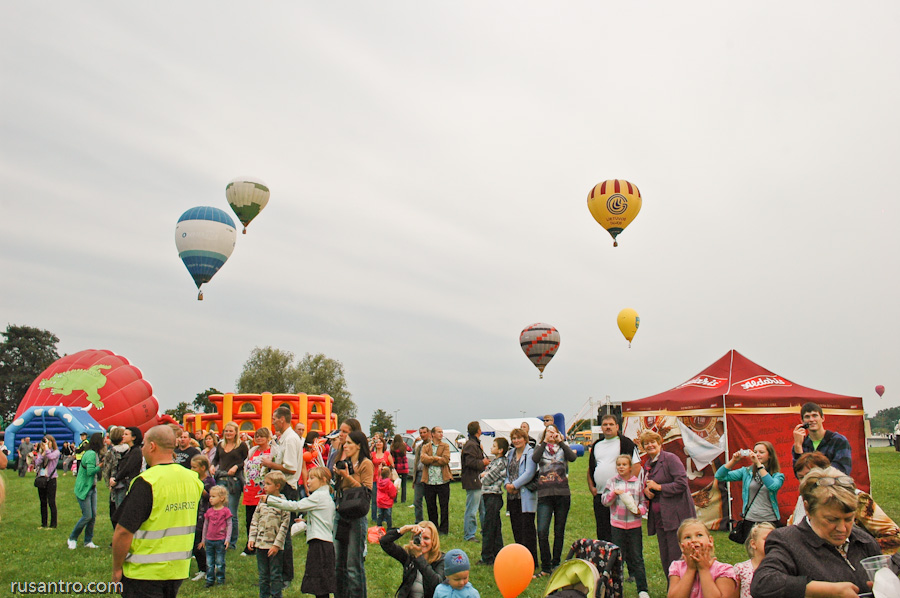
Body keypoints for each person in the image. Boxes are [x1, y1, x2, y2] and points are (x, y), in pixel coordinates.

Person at [751, 467, 893, 598]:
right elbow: (763, 583)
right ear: (807, 509)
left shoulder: (863, 540)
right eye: (831, 520)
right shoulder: (787, 541)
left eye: (849, 519)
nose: (842, 529)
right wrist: (826, 591)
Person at [112, 425, 204, 597]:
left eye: (144, 444)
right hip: (177, 569)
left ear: (152, 446)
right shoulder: (192, 479)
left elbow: (123, 531)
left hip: (144, 571)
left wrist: (117, 568)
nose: (143, 449)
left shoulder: (147, 481)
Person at [266, 466, 337, 598]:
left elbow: (295, 506)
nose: (308, 481)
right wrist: (304, 522)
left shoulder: (319, 496)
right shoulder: (325, 496)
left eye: (312, 478)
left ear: (323, 480)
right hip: (324, 543)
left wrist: (269, 500)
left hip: (320, 544)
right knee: (321, 583)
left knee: (320, 583)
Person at [641, 429, 696, 579]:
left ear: (660, 443)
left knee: (676, 555)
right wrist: (647, 490)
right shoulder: (648, 463)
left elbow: (681, 484)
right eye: (646, 443)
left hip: (675, 517)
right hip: (660, 519)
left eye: (653, 442)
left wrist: (659, 487)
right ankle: (671, 587)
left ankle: (683, 588)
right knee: (665, 556)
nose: (650, 445)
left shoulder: (671, 459)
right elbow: (649, 484)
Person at [260, 408, 302, 584]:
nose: (273, 422)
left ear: (283, 419)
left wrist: (271, 464)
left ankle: (286, 575)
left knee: (283, 532)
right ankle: (275, 573)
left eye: (275, 419)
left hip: (287, 488)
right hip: (281, 486)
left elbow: (291, 468)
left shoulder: (291, 439)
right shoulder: (284, 438)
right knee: (275, 530)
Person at [601, 454, 650, 598]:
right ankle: (615, 587)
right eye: (619, 465)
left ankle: (642, 589)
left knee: (637, 557)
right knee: (617, 557)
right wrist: (613, 494)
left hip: (634, 525)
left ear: (630, 467)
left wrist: (639, 510)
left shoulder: (638, 484)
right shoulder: (612, 482)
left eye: (624, 464)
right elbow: (604, 501)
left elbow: (643, 503)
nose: (621, 467)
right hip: (617, 524)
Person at [532, 423, 577, 577]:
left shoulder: (563, 449)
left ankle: (556, 563)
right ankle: (546, 566)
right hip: (544, 494)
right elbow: (534, 458)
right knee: (542, 530)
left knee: (559, 530)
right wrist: (544, 441)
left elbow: (573, 457)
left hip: (562, 494)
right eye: (548, 432)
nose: (551, 434)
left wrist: (561, 442)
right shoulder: (540, 448)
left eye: (554, 432)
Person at [333, 429, 374, 598]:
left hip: (356, 516)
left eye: (349, 442)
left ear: (358, 445)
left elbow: (366, 490)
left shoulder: (366, 464)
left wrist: (347, 476)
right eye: (345, 442)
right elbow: (341, 488)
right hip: (342, 513)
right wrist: (338, 476)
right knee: (338, 563)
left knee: (353, 564)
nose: (346, 445)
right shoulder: (346, 462)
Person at [588, 414, 641, 542]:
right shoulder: (597, 445)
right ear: (601, 427)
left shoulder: (626, 443)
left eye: (611, 424)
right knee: (603, 530)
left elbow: (636, 466)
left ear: (617, 426)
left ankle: (621, 558)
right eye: (605, 425)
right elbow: (591, 468)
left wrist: (627, 486)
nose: (608, 427)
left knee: (620, 533)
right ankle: (606, 559)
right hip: (601, 495)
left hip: (620, 495)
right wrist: (592, 487)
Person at [714, 441, 784, 527]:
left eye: (761, 452)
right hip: (750, 519)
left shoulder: (777, 476)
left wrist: (758, 464)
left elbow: (772, 486)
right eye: (755, 452)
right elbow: (719, 476)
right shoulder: (746, 472)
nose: (757, 455)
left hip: (770, 519)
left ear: (770, 456)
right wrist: (733, 461)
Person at [667, 518, 737, 598]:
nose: (694, 540)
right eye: (687, 537)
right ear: (681, 546)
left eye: (699, 535)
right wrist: (690, 569)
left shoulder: (724, 570)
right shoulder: (677, 567)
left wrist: (703, 569)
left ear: (710, 540)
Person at [248, 471, 291, 598]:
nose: (264, 486)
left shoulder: (284, 503)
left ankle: (276, 595)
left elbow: (284, 526)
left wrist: (277, 545)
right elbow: (255, 520)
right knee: (263, 575)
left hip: (274, 546)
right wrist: (252, 538)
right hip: (261, 544)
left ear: (278, 486)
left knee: (275, 575)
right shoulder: (262, 501)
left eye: (268, 484)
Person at [379, 521, 446, 598]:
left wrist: (419, 557)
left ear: (433, 541)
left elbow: (437, 584)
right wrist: (404, 529)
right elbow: (384, 542)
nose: (422, 542)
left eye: (426, 538)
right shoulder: (409, 556)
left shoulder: (441, 560)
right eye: (419, 537)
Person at [505, 427, 538, 571]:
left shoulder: (530, 453)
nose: (516, 441)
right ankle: (520, 559)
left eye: (519, 438)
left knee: (528, 530)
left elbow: (529, 472)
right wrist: (507, 484)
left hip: (525, 496)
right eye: (514, 438)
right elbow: (507, 471)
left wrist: (515, 484)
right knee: (516, 528)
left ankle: (532, 561)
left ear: (525, 439)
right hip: (512, 496)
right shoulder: (510, 453)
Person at [211, 421, 248, 549]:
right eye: (226, 431)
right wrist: (211, 465)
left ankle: (232, 542)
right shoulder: (221, 445)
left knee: (231, 512)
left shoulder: (241, 446)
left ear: (236, 433)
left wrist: (236, 466)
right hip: (221, 479)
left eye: (231, 431)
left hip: (234, 481)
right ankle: (221, 538)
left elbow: (246, 461)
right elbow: (216, 458)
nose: (228, 433)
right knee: (220, 511)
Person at [791, 401, 852, 475]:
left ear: (822, 418)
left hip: (834, 485)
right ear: (802, 421)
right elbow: (799, 474)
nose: (811, 419)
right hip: (810, 486)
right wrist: (798, 446)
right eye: (807, 417)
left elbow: (841, 470)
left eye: (815, 415)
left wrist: (812, 473)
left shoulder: (838, 441)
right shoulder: (801, 444)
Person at [242, 427, 273, 556]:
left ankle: (262, 543)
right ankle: (250, 545)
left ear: (267, 438)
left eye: (262, 436)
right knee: (250, 518)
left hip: (263, 489)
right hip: (251, 488)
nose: (259, 439)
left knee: (262, 517)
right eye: (257, 436)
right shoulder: (252, 451)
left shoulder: (272, 451)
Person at [68, 432, 102, 550]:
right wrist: (101, 466)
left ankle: (88, 540)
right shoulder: (91, 454)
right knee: (87, 516)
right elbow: (90, 471)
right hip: (84, 488)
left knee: (93, 516)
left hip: (92, 488)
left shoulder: (94, 453)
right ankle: (72, 538)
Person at [478, 437, 508, 566]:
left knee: (489, 527)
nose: (491, 447)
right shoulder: (494, 461)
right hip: (488, 496)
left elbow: (486, 479)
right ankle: (498, 553)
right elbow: (482, 475)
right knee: (495, 526)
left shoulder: (501, 463)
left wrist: (483, 475)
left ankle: (487, 556)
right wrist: (482, 475)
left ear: (500, 450)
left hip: (493, 496)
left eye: (494, 446)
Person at [461, 421, 488, 542]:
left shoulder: (474, 444)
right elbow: (470, 462)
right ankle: (469, 534)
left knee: (482, 509)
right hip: (473, 480)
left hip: (477, 480)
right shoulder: (471, 445)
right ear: (478, 431)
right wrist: (483, 462)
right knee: (472, 509)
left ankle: (485, 530)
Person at [421, 426, 451, 535]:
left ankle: (444, 529)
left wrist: (431, 459)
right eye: (439, 432)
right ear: (432, 434)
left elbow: (445, 460)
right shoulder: (426, 446)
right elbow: (423, 459)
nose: (441, 434)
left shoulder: (445, 446)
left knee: (444, 506)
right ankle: (433, 528)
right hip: (429, 481)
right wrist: (436, 458)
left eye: (442, 432)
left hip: (443, 481)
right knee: (431, 506)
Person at [189, 454, 215, 582]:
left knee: (199, 544)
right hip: (194, 514)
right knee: (194, 543)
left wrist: (199, 487)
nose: (192, 470)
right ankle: (203, 568)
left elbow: (210, 496)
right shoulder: (194, 479)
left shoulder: (209, 481)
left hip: (204, 516)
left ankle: (206, 569)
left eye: (194, 467)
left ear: (203, 467)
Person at [201, 485, 232, 587]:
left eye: (213, 496)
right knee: (209, 562)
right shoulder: (209, 512)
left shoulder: (225, 511)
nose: (210, 499)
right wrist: (203, 540)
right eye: (210, 496)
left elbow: (230, 525)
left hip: (220, 540)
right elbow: (205, 526)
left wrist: (227, 539)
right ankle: (210, 580)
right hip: (209, 540)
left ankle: (220, 579)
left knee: (220, 561)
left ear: (222, 498)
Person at [733, 522, 775, 598]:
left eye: (774, 539)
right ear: (753, 544)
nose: (771, 541)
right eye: (766, 539)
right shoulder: (741, 569)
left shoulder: (780, 567)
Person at [110, 427, 143, 512]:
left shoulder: (136, 451)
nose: (123, 436)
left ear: (133, 437)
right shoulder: (129, 451)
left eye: (126, 434)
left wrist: (116, 479)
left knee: (122, 511)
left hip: (127, 484)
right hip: (123, 483)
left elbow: (127, 468)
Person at [102, 427, 129, 529]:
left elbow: (106, 469)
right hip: (127, 483)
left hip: (115, 483)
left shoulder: (111, 453)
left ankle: (118, 535)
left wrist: (108, 483)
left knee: (115, 512)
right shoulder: (130, 451)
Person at [34, 435, 60, 529]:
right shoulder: (43, 452)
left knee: (51, 501)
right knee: (43, 502)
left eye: (48, 441)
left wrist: (47, 449)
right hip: (42, 478)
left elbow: (51, 457)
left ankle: (53, 524)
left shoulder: (56, 452)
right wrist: (43, 452)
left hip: (51, 479)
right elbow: (37, 462)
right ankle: (43, 523)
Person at [370, 434, 394, 520]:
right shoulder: (372, 454)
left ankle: (385, 517)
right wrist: (372, 444)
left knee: (384, 499)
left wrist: (386, 464)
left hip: (385, 480)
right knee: (374, 499)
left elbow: (392, 466)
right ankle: (374, 517)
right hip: (374, 479)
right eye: (377, 442)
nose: (378, 443)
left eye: (380, 442)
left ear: (384, 444)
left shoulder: (387, 454)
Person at [412, 426, 432, 523]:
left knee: (429, 501)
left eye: (424, 432)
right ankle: (419, 521)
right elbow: (416, 463)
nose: (423, 435)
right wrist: (414, 478)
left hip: (428, 475)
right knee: (417, 501)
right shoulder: (419, 446)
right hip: (419, 474)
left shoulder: (431, 446)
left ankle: (431, 522)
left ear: (428, 433)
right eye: (421, 433)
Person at [391, 434, 410, 504]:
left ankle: (395, 499)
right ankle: (403, 500)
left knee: (395, 484)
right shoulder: (404, 445)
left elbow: (391, 456)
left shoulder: (393, 447)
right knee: (404, 485)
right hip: (404, 467)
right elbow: (410, 449)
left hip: (396, 468)